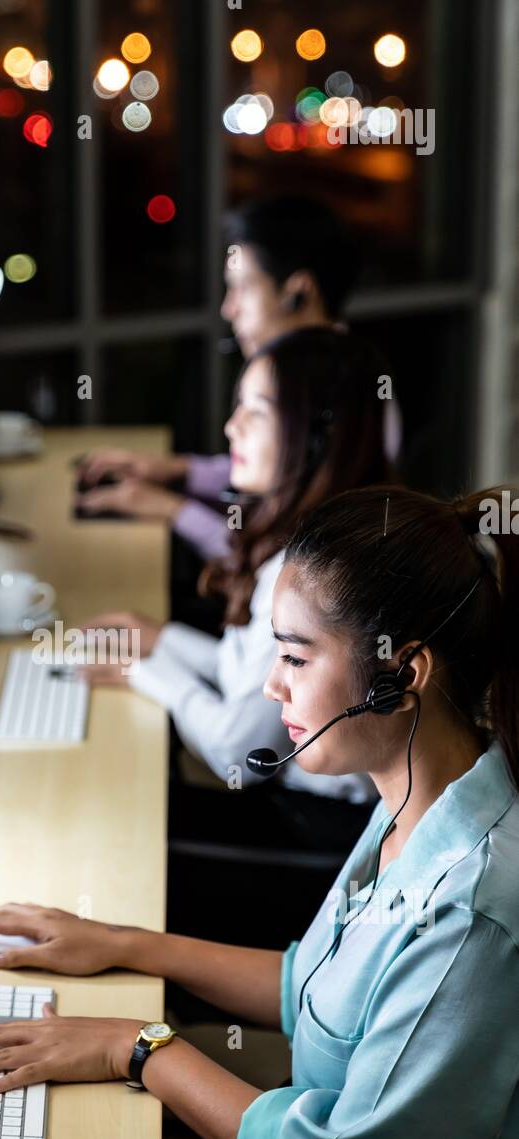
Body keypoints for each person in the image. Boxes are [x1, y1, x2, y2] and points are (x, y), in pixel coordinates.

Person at [0, 483, 519, 1139]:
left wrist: (138, 1049)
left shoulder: (471, 909)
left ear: (402, 674)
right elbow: (304, 986)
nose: (273, 688)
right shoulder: (422, 799)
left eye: (295, 657)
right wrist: (125, 943)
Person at [78, 328, 390, 829]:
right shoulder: (311, 536)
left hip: (313, 827)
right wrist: (163, 639)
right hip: (301, 805)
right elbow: (248, 683)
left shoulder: (312, 574)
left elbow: (239, 756)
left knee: (112, 810)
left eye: (257, 411)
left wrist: (147, 675)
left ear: (313, 437)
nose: (231, 427)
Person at [75, 196, 367, 559]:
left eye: (242, 287)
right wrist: (175, 471)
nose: (228, 308)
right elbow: (280, 463)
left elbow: (285, 563)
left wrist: (172, 508)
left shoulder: (350, 397)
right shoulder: (321, 374)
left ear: (299, 291)